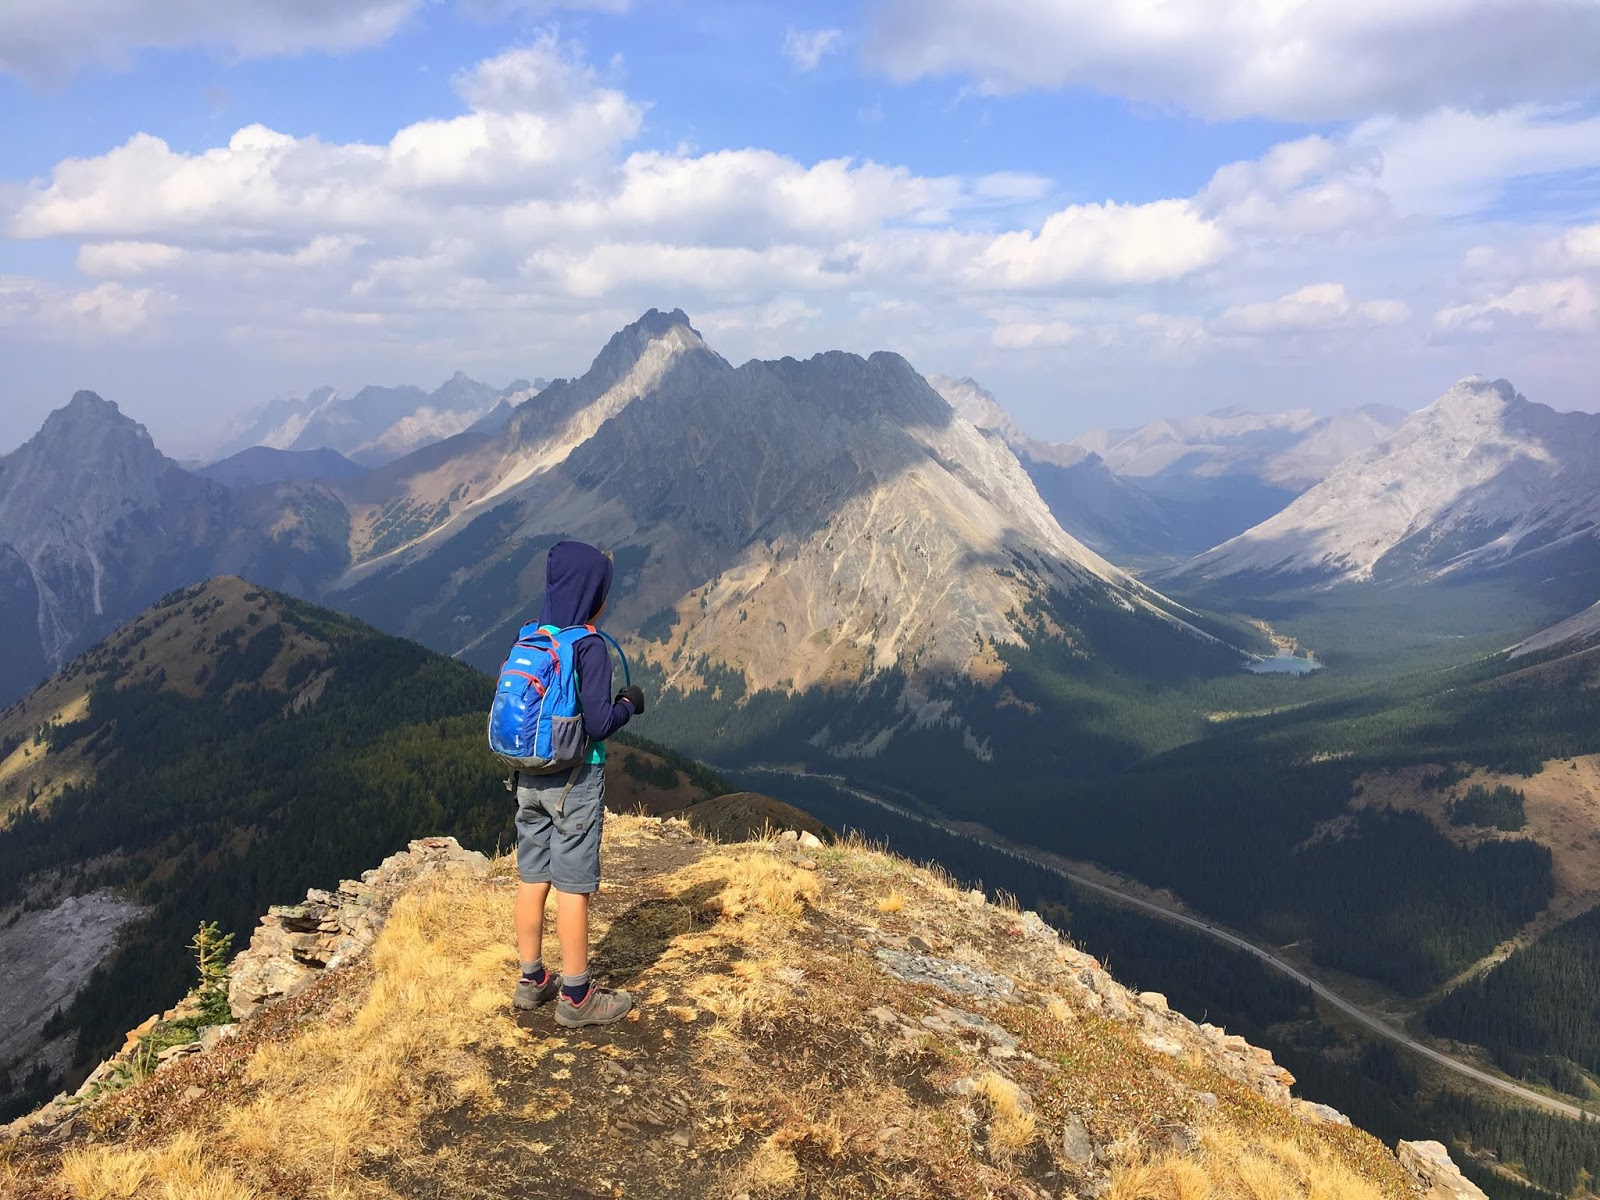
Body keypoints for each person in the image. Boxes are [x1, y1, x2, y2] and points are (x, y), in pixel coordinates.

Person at [511, 539, 645, 1027]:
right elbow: (599, 721)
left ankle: (531, 980)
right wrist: (629, 704)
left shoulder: (530, 636)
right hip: (575, 780)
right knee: (573, 886)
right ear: (594, 594)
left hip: (527, 775)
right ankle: (577, 996)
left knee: (533, 878)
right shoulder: (588, 645)